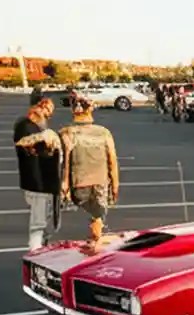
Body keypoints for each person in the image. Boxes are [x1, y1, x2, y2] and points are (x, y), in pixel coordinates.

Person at [59, 97, 120, 244]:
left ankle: (92, 241)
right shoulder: (103, 133)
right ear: (90, 110)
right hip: (100, 182)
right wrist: (115, 184)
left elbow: (65, 162)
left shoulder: (67, 133)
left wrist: (64, 184)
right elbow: (112, 160)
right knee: (98, 216)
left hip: (79, 182)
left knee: (85, 215)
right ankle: (96, 240)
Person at [13, 99, 62, 249]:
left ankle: (42, 244)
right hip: (36, 180)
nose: (48, 116)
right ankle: (35, 248)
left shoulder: (34, 127)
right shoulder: (27, 127)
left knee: (45, 216)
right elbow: (25, 146)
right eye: (47, 111)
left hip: (42, 180)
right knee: (39, 219)